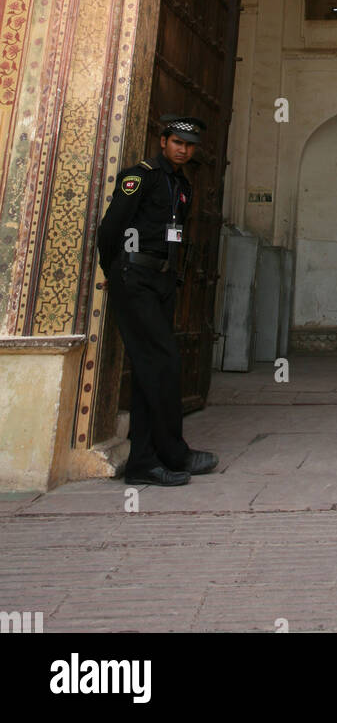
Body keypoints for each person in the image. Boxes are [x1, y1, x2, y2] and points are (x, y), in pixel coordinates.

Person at [97, 114, 219, 487]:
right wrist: (118, 269)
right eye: (177, 142)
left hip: (161, 280)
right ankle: (153, 459)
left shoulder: (181, 185)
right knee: (161, 362)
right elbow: (111, 227)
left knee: (154, 367)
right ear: (163, 140)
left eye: (190, 144)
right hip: (134, 279)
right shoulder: (142, 176)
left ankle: (160, 455)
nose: (183, 149)